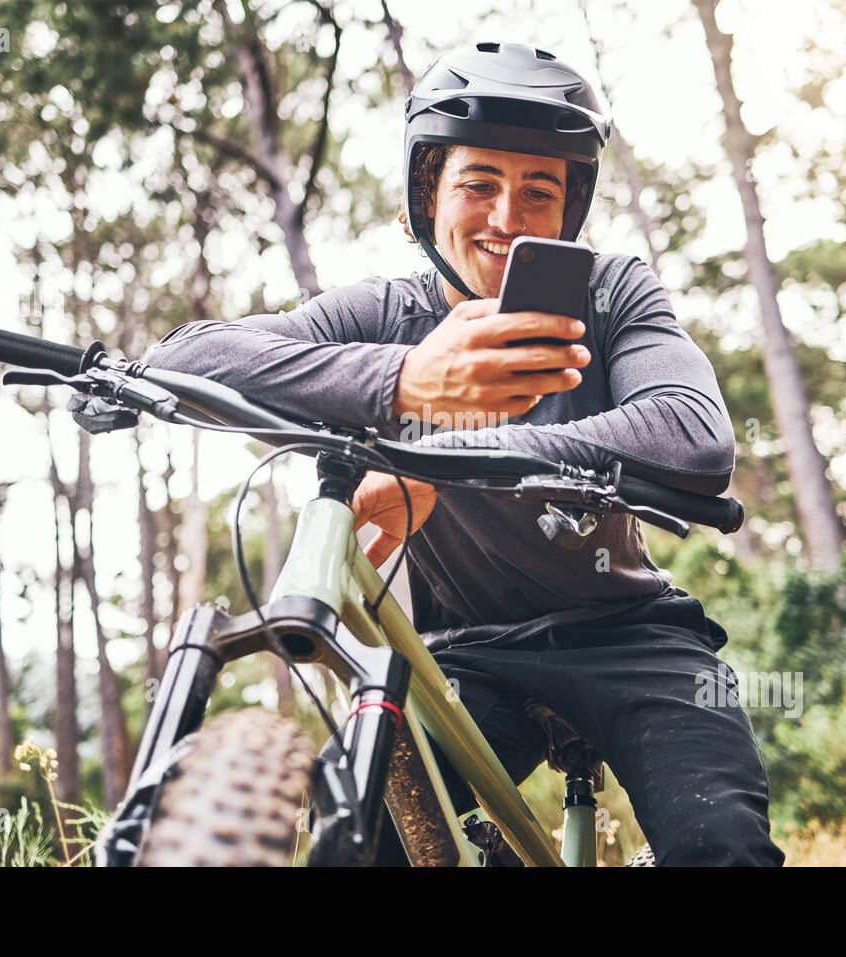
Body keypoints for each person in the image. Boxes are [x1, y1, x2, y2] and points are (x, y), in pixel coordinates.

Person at [145, 41, 784, 865]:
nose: (508, 217)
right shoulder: (381, 314)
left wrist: (443, 457)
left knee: (721, 842)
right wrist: (410, 379)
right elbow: (184, 358)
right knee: (361, 837)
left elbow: (692, 435)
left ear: (569, 210)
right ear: (428, 195)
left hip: (633, 634)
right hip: (464, 657)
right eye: (478, 184)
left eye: (539, 190)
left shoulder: (612, 293)